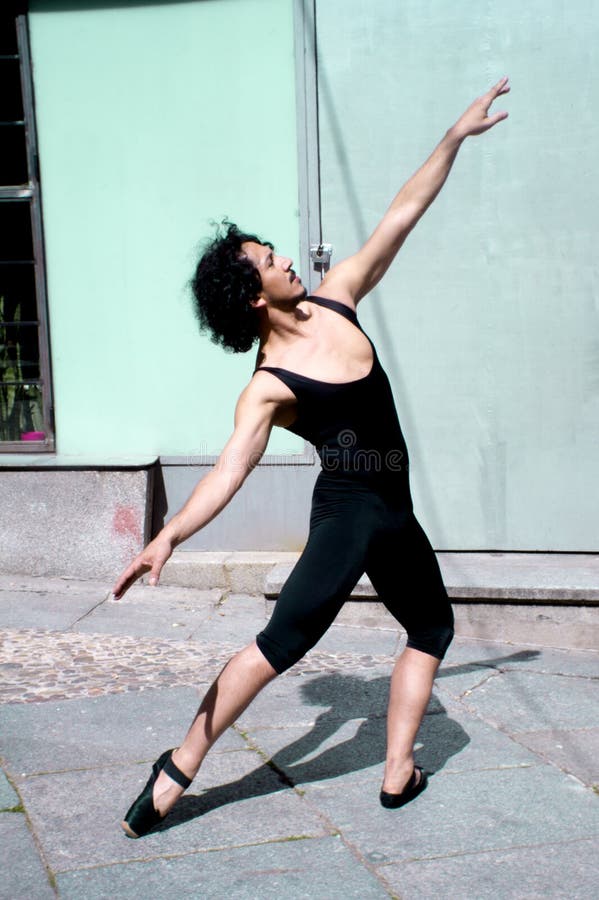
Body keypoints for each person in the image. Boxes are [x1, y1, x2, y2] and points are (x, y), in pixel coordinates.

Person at [113, 77, 510, 837]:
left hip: (396, 516)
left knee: (431, 629)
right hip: (346, 518)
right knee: (277, 648)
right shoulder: (267, 387)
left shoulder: (339, 296)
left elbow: (403, 211)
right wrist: (168, 535)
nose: (287, 258)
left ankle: (397, 772)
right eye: (269, 258)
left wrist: (451, 139)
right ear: (252, 296)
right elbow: (230, 470)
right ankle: (176, 770)